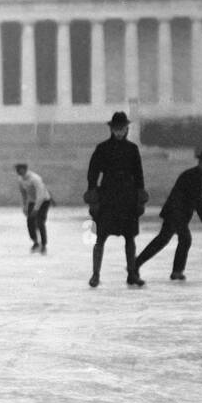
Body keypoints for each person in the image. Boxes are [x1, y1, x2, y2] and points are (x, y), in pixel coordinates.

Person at [132, 149, 202, 282]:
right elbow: (196, 201)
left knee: (162, 240)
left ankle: (136, 264)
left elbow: (196, 201)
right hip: (176, 213)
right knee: (184, 239)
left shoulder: (197, 176)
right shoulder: (192, 176)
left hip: (177, 214)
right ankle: (176, 271)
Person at [85, 111, 147, 288]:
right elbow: (93, 172)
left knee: (130, 238)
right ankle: (95, 274)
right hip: (108, 195)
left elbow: (139, 175)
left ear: (127, 129)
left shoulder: (132, 149)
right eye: (117, 129)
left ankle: (132, 274)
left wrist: (140, 196)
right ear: (111, 129)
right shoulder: (102, 148)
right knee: (100, 238)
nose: (120, 132)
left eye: (123, 129)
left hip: (128, 196)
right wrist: (92, 193)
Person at [15, 163, 52, 253]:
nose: (17, 172)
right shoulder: (20, 179)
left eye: (19, 170)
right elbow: (23, 194)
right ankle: (35, 242)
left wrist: (36, 209)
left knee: (40, 222)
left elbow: (41, 195)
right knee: (30, 221)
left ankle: (43, 245)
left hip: (43, 201)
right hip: (32, 201)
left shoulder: (35, 179)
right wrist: (24, 206)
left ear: (24, 169)